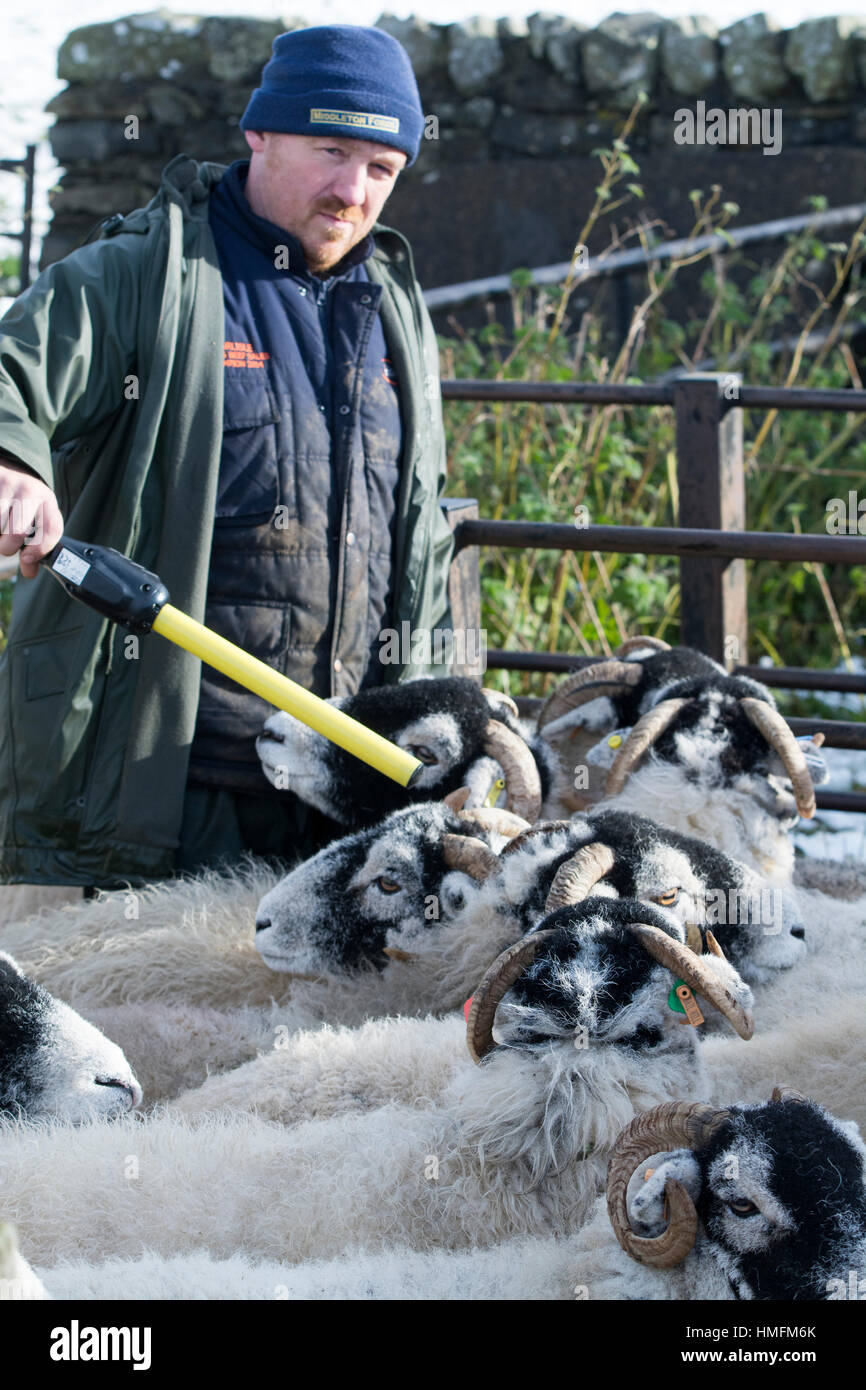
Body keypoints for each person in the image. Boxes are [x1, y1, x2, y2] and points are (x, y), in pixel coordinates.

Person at [0, 25, 453, 888]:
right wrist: (12, 462)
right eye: (330, 149)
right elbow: (9, 378)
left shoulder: (393, 303)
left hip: (341, 792)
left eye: (381, 168)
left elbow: (419, 534)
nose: (351, 191)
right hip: (169, 787)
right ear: (259, 132)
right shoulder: (143, 276)